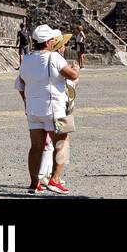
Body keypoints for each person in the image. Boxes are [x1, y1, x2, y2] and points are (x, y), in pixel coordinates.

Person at [15, 24, 79, 194]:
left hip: (33, 110)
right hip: (54, 108)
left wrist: (27, 103)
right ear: (48, 42)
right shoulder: (53, 58)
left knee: (35, 147)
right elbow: (72, 76)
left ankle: (34, 183)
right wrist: (75, 69)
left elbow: (21, 84)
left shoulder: (26, 60)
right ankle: (55, 180)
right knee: (62, 142)